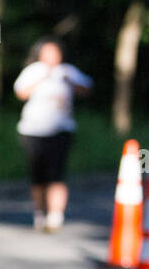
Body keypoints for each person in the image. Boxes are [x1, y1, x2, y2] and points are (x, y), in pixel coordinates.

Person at [14, 37, 93, 231]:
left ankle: (55, 216)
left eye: (55, 52)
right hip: (33, 130)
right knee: (38, 174)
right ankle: (40, 213)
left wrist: (70, 82)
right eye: (47, 52)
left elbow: (87, 89)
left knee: (57, 173)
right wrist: (43, 78)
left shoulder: (68, 71)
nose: (51, 56)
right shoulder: (33, 71)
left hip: (61, 130)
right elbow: (21, 93)